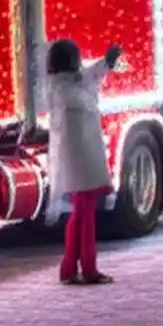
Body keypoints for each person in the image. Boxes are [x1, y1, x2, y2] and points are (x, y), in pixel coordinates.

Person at [45, 38, 120, 285]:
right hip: (80, 159)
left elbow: (91, 75)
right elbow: (90, 79)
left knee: (82, 214)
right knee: (84, 215)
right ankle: (87, 268)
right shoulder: (63, 89)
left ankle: (71, 268)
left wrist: (106, 63)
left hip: (81, 159)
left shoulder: (66, 84)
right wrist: (104, 66)